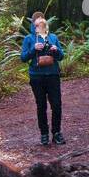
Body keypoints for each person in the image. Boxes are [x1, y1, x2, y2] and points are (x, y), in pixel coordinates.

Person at [20, 14, 66, 145]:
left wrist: (56, 50)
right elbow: (23, 58)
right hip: (37, 77)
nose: (40, 27)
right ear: (34, 27)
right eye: (37, 25)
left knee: (56, 105)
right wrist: (33, 49)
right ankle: (44, 134)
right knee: (41, 106)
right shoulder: (29, 39)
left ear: (46, 26)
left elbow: (61, 56)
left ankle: (56, 133)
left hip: (53, 75)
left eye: (43, 25)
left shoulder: (53, 38)